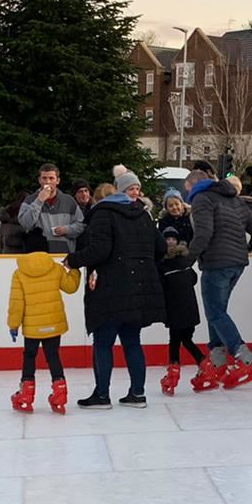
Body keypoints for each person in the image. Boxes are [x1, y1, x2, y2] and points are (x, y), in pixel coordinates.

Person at [67, 169, 167, 409]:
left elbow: (100, 250)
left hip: (110, 288)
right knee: (132, 340)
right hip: (139, 288)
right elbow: (161, 247)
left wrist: (73, 259)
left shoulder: (103, 213)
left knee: (103, 341)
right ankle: (138, 393)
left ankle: (102, 395)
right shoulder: (143, 215)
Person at [185, 168, 252, 390]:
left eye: (187, 189)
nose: (186, 195)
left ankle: (245, 358)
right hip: (237, 263)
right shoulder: (235, 200)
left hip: (216, 262)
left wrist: (186, 261)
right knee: (217, 311)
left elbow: (203, 233)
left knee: (215, 312)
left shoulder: (201, 199)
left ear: (193, 185)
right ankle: (218, 363)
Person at [7, 229, 80, 414]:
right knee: (53, 356)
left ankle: (26, 394)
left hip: (32, 328)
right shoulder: (55, 268)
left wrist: (13, 325)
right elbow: (71, 288)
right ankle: (60, 393)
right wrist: (74, 270)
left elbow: (17, 303)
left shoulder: (19, 273)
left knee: (29, 356)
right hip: (54, 324)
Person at [156, 207, 203, 396]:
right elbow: (193, 279)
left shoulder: (166, 265)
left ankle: (174, 371)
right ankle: (202, 362)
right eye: (166, 239)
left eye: (172, 239)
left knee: (176, 340)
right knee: (184, 339)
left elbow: (162, 286)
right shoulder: (182, 262)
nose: (169, 242)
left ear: (177, 241)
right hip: (188, 310)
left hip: (178, 310)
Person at [18, 162, 85, 253]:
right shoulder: (30, 200)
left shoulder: (69, 201)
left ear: (57, 181)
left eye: (51, 178)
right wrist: (39, 201)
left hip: (63, 254)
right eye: (44, 178)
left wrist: (67, 229)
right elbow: (25, 223)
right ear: (39, 180)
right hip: (38, 255)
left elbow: (81, 225)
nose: (48, 182)